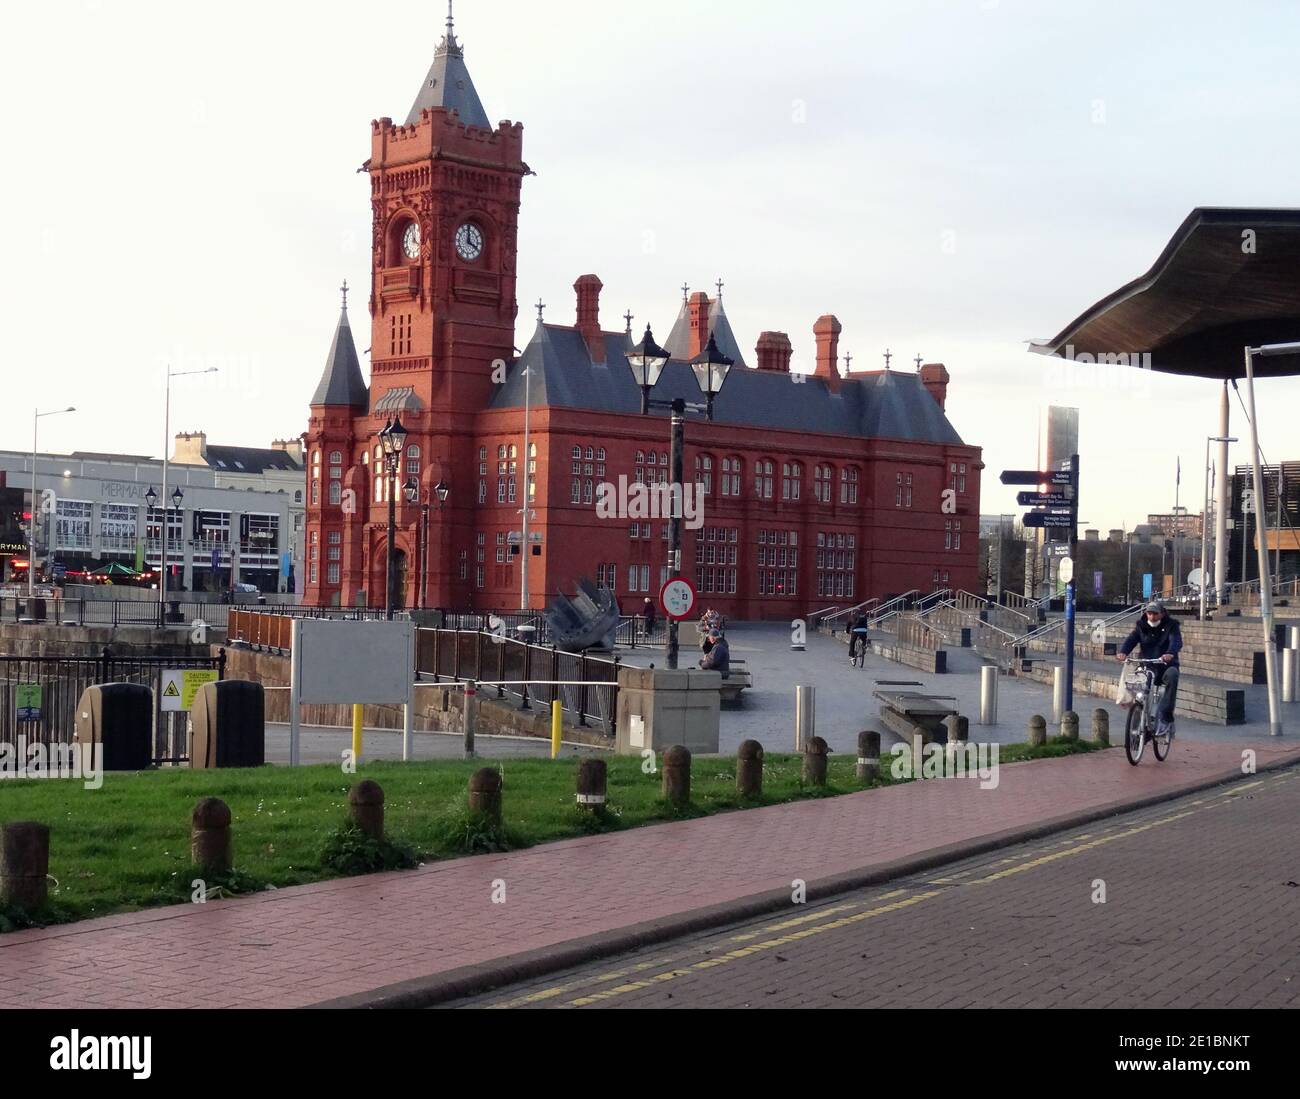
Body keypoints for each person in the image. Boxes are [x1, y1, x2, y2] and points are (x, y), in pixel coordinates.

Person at [1115, 599, 1182, 734]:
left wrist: (1169, 653)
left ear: (1162, 614)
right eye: (1149, 613)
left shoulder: (1171, 626)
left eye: (1155, 614)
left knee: (1173, 675)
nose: (1151, 617)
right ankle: (1137, 713)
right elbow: (1132, 639)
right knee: (1138, 687)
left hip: (1165, 665)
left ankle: (1165, 717)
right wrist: (1123, 652)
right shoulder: (1141, 626)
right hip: (1147, 664)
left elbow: (1176, 641)